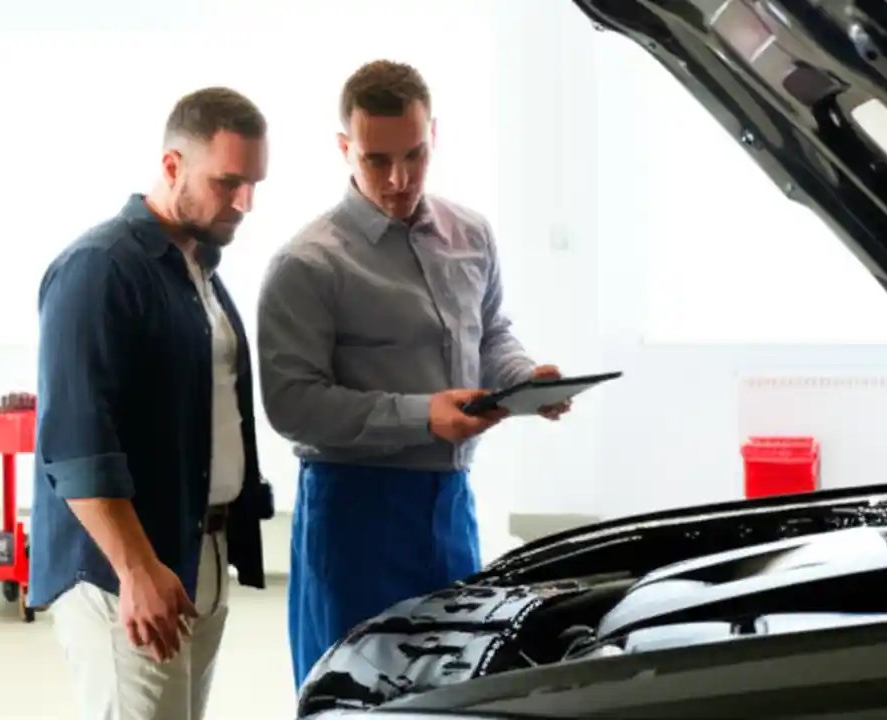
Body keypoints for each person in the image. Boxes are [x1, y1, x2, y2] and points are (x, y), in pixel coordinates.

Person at [256, 59, 569, 688]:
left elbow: (491, 332)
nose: (399, 178)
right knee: (352, 692)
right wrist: (423, 414)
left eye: (415, 155)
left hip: (451, 504)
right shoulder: (307, 264)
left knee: (452, 688)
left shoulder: (471, 233)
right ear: (345, 149)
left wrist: (525, 378)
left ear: (434, 138)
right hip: (354, 509)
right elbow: (293, 404)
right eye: (376, 160)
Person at [29, 86, 275, 719]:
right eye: (228, 182)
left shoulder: (197, 269)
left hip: (198, 555)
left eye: (254, 183)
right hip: (126, 575)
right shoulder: (98, 268)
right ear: (172, 167)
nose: (244, 202)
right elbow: (78, 444)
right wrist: (136, 569)